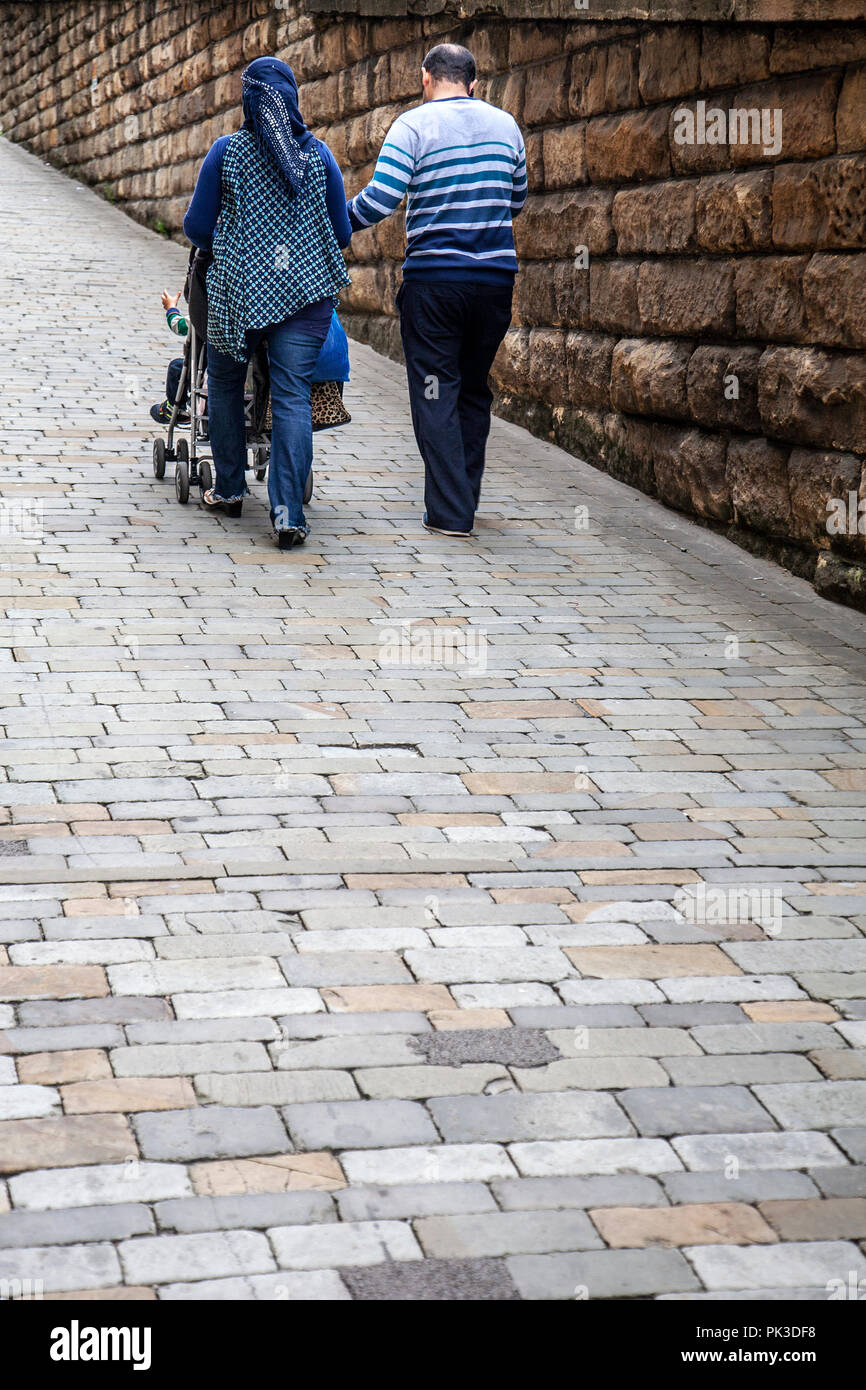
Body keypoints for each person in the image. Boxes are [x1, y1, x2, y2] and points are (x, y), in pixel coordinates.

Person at [346, 42, 527, 538]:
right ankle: (462, 498)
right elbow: (517, 198)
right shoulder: (506, 125)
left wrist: (333, 223)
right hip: (494, 283)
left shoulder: (413, 125)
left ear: (426, 78)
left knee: (434, 389)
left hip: (435, 284)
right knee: (471, 388)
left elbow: (381, 199)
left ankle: (450, 513)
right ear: (473, 83)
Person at [183, 56, 351, 548]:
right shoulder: (319, 156)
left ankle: (230, 489)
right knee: (293, 394)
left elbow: (196, 227)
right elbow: (340, 232)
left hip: (238, 295)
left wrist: (239, 244)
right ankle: (287, 513)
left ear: (247, 100)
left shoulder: (226, 152)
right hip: (306, 298)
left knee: (227, 382)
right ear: (293, 98)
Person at [149, 289, 190, 424]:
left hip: (209, 368)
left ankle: (175, 407)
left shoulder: (208, 314)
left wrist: (171, 307)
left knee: (177, 366)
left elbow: (177, 325)